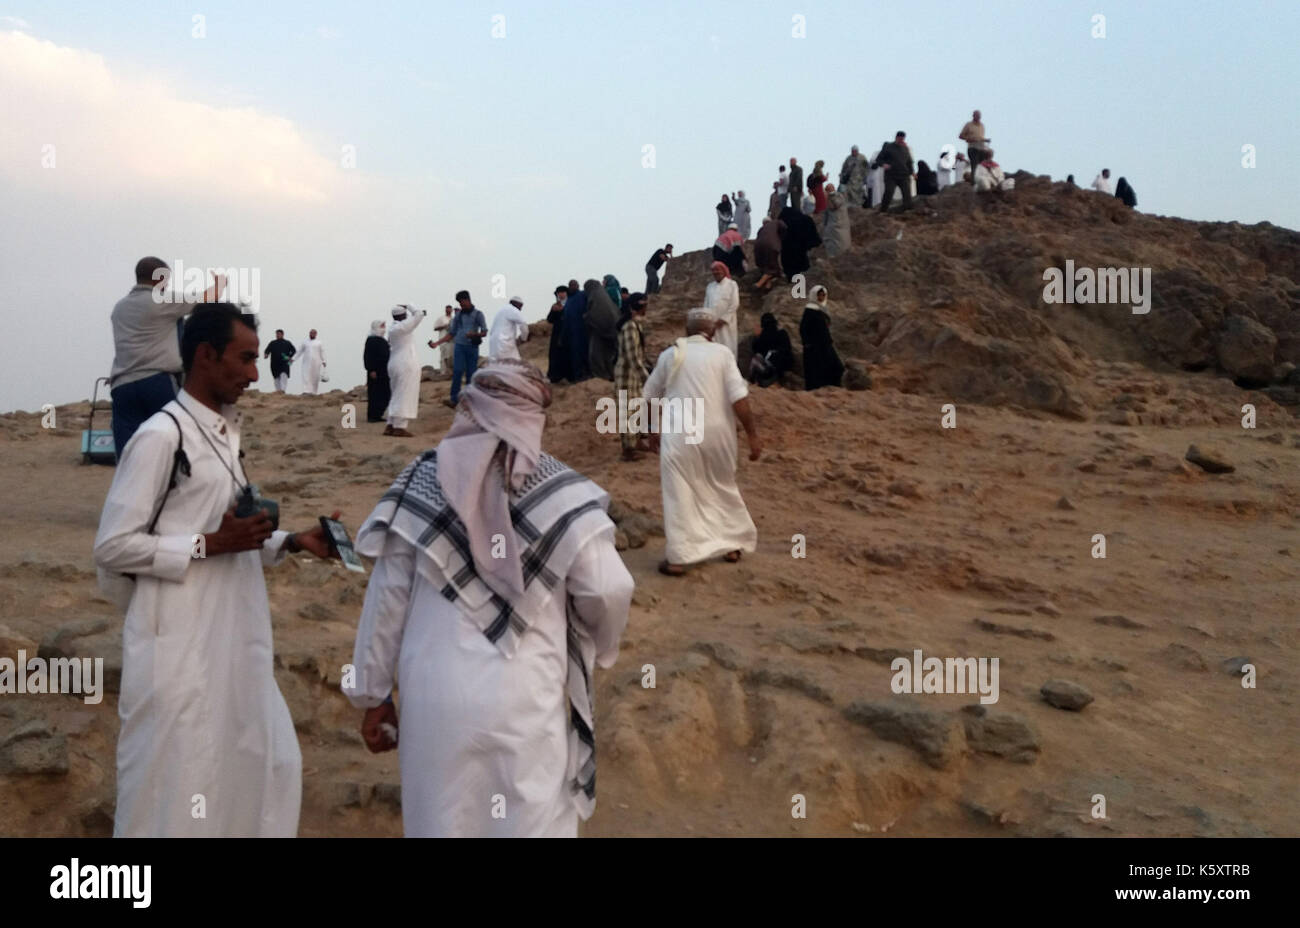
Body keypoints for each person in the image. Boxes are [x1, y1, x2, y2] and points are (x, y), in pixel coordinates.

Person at [343, 360, 633, 838]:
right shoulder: (561, 493)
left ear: (469, 408)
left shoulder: (421, 481)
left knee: (441, 819)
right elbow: (609, 589)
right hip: (526, 692)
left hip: (433, 693)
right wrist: (596, 642)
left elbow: (387, 598)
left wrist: (372, 695)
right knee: (530, 820)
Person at [93, 302, 342, 837]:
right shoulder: (161, 436)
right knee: (176, 779)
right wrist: (209, 545)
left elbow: (226, 532)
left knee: (263, 763)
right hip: (178, 640)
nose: (254, 373)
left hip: (234, 636)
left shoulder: (223, 433)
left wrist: (293, 541)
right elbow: (113, 547)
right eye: (246, 359)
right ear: (206, 355)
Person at [643, 308, 761, 577]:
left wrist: (652, 430)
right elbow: (739, 399)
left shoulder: (670, 355)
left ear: (687, 330)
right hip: (718, 436)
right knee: (721, 486)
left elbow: (650, 395)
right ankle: (732, 545)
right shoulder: (722, 354)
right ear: (713, 331)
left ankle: (679, 558)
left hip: (680, 435)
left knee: (679, 493)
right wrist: (752, 435)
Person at [109, 257, 225, 459]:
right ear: (159, 278)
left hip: (122, 386)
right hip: (156, 382)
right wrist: (220, 283)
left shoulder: (119, 308)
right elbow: (207, 298)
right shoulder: (161, 301)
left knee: (129, 455)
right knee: (176, 445)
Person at [430, 290, 487, 407]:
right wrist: (437, 343)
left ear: (467, 300)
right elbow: (451, 333)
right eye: (460, 304)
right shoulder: (458, 316)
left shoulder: (478, 314)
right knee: (457, 371)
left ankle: (470, 399)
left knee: (471, 373)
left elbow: (484, 332)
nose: (461, 306)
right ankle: (454, 399)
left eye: (462, 303)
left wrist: (474, 334)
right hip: (459, 347)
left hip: (472, 347)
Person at [614, 294, 652, 461]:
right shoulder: (630, 326)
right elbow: (632, 357)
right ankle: (628, 450)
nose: (645, 309)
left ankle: (636, 442)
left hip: (633, 376)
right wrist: (647, 378)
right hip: (627, 375)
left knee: (637, 409)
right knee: (628, 411)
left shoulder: (635, 325)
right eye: (643, 306)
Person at [385, 304, 427, 437]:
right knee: (404, 395)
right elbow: (419, 314)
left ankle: (390, 424)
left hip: (395, 363)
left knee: (396, 395)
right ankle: (399, 426)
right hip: (405, 364)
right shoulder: (402, 327)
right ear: (403, 316)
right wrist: (409, 305)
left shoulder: (393, 328)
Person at [800, 286, 844, 390]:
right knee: (817, 372)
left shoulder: (822, 310)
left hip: (825, 344)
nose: (821, 297)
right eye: (819, 295)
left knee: (837, 368)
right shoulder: (810, 310)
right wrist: (807, 343)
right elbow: (803, 328)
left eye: (823, 295)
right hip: (815, 347)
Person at [583, 278, 620, 381]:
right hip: (611, 330)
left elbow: (596, 315)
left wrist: (586, 317)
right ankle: (611, 375)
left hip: (601, 331)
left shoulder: (595, 298)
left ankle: (602, 377)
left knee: (596, 354)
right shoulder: (604, 297)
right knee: (608, 355)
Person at [704, 261, 741, 358]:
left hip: (726, 324)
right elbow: (706, 305)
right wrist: (708, 321)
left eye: (717, 270)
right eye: (713, 270)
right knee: (713, 350)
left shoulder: (732, 284)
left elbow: (734, 304)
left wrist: (723, 319)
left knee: (727, 348)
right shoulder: (710, 287)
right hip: (712, 325)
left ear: (724, 271)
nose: (715, 272)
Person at [749, 312, 794, 388]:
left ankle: (752, 382)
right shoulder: (782, 333)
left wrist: (757, 337)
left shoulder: (767, 335)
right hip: (776, 368)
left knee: (755, 360)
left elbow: (756, 349)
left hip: (773, 369)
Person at [778, 202, 822, 279]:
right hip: (803, 251)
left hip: (788, 253)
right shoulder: (806, 219)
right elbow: (814, 237)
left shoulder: (784, 223)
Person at [876, 131, 915, 213]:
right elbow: (879, 159)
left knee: (907, 193)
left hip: (904, 175)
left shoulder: (905, 149)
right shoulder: (888, 147)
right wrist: (883, 164)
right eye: (900, 139)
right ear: (896, 138)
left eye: (903, 139)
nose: (902, 141)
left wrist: (912, 173)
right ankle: (883, 210)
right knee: (889, 192)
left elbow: (909, 162)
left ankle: (907, 210)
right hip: (891, 175)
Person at [560, 279, 590, 382]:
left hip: (582, 330)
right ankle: (577, 376)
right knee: (574, 355)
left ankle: (586, 375)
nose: (572, 287)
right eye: (570, 285)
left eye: (574, 285)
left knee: (584, 353)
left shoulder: (583, 295)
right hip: (571, 332)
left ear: (578, 285)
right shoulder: (569, 299)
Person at [363, 320, 390, 423]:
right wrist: (371, 369)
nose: (384, 328)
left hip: (384, 371)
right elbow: (368, 356)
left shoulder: (382, 340)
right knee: (375, 394)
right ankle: (372, 416)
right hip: (375, 372)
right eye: (381, 326)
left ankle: (378, 414)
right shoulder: (371, 340)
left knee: (385, 393)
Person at [488, 296, 530, 361]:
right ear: (516, 304)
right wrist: (524, 338)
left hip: (494, 344)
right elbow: (523, 324)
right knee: (514, 363)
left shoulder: (501, 310)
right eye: (520, 306)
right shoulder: (512, 309)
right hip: (504, 344)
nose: (520, 309)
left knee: (497, 364)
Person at [753, 215, 786, 290]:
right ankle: (758, 284)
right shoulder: (776, 222)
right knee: (773, 267)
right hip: (771, 245)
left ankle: (768, 285)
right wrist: (781, 237)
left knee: (765, 265)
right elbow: (784, 227)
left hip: (758, 247)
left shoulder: (761, 229)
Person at [546, 285, 570, 383]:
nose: (560, 295)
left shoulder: (571, 303)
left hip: (569, 333)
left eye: (562, 292)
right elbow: (549, 319)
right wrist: (554, 311)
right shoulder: (555, 305)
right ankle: (555, 376)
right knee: (555, 354)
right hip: (557, 333)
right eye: (559, 293)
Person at [959, 109, 990, 184]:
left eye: (979, 116)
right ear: (973, 116)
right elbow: (961, 136)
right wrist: (968, 138)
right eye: (976, 115)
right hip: (972, 148)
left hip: (981, 148)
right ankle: (973, 182)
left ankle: (981, 182)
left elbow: (981, 137)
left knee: (982, 166)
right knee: (974, 165)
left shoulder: (982, 126)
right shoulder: (968, 125)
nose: (978, 117)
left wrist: (985, 140)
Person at [821, 183, 851, 259]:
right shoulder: (831, 198)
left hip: (838, 225)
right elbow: (827, 213)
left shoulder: (838, 196)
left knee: (839, 244)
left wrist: (830, 196)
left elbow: (835, 205)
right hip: (834, 227)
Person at [263, 328, 296, 393]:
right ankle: (278, 391)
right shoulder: (273, 343)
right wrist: (266, 354)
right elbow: (267, 350)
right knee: (276, 377)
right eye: (277, 334)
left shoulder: (287, 343)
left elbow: (294, 351)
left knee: (284, 375)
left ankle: (283, 390)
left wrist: (289, 357)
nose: (277, 335)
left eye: (279, 334)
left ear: (282, 334)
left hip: (284, 363)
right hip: (274, 363)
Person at [297, 329, 327, 394]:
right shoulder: (305, 342)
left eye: (313, 333)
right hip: (306, 362)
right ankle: (306, 391)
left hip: (316, 363)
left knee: (315, 377)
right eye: (311, 333)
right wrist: (293, 359)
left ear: (316, 334)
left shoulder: (319, 343)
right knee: (306, 376)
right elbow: (299, 351)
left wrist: (324, 361)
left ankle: (314, 392)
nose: (312, 334)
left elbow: (322, 352)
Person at [431, 305, 454, 371]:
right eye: (447, 309)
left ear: (451, 310)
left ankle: (450, 371)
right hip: (442, 339)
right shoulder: (441, 318)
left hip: (451, 340)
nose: (448, 310)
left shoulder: (453, 319)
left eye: (450, 309)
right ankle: (443, 371)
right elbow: (435, 328)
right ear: (445, 310)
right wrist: (444, 326)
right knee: (444, 355)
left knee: (451, 355)